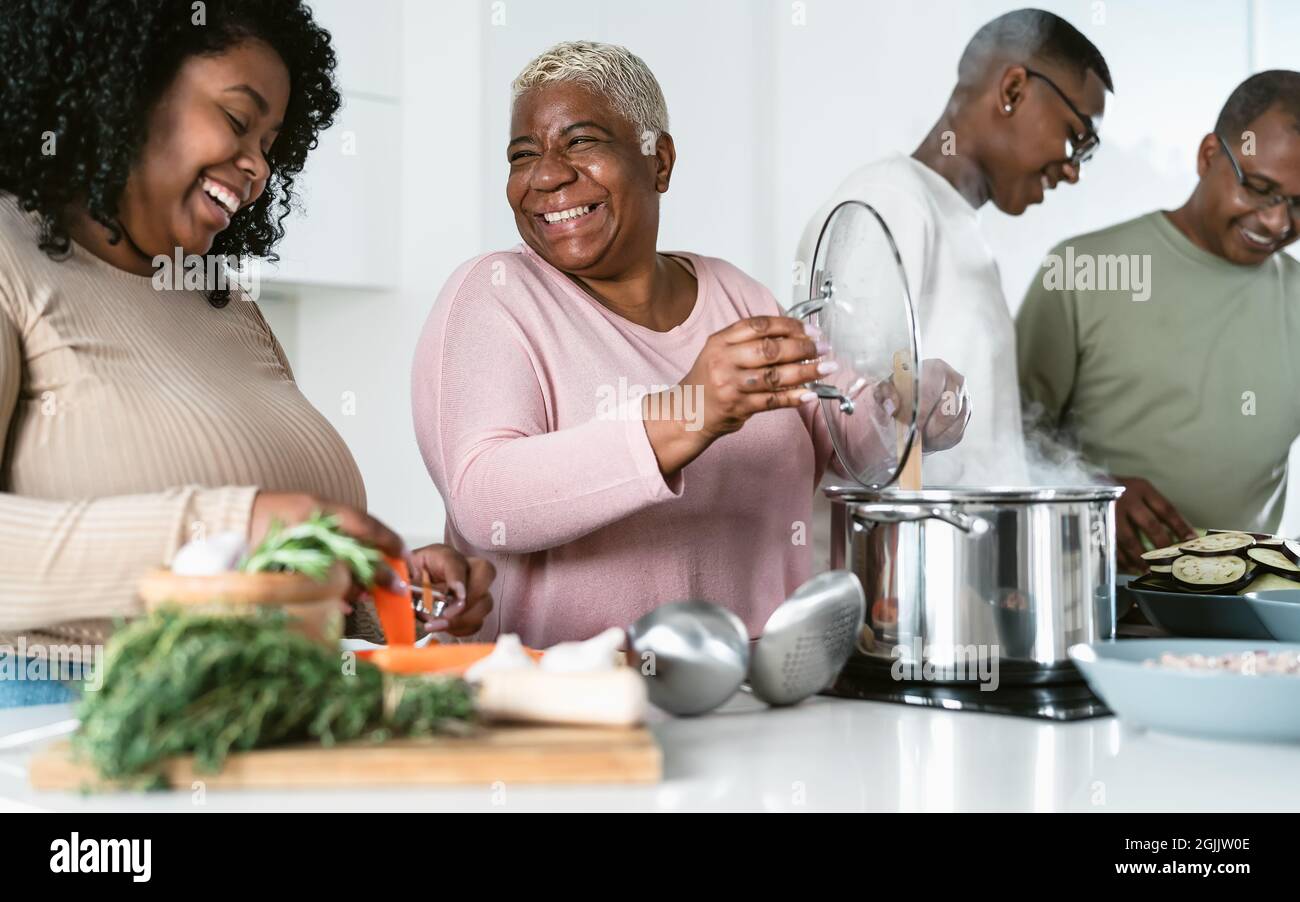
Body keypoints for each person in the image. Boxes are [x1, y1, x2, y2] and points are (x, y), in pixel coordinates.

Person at [0, 0, 492, 706]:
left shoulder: (220, 300)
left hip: (271, 710)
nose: (258, 167)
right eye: (237, 120)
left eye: (271, 143)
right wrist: (235, 523)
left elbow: (266, 566)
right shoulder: (10, 254)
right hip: (81, 720)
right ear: (125, 88)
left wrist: (380, 591)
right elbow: (244, 524)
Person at [411, 40, 969, 648]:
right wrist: (689, 412)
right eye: (523, 154)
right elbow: (485, 498)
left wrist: (904, 407)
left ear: (659, 161)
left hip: (765, 686)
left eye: (581, 142)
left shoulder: (738, 294)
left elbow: (850, 435)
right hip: (571, 696)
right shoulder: (495, 293)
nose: (546, 175)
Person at [796, 8, 1113, 487]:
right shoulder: (891, 201)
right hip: (915, 540)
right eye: (1077, 138)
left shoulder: (958, 226)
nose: (1074, 171)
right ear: (1013, 91)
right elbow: (848, 431)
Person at [1017, 71, 1300, 573]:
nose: (1278, 222)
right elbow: (1005, 438)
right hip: (1089, 600)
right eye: (1260, 189)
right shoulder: (1081, 270)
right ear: (1208, 156)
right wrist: (1088, 491)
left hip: (1244, 610)